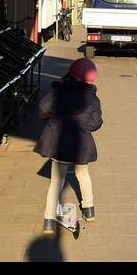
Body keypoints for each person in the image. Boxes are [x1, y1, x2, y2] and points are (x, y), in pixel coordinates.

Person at [37, 57, 103, 234]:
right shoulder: (93, 99)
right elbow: (96, 123)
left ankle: (49, 221)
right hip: (81, 145)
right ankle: (89, 210)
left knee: (56, 181)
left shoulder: (58, 92)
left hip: (59, 143)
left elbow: (43, 110)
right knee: (83, 174)